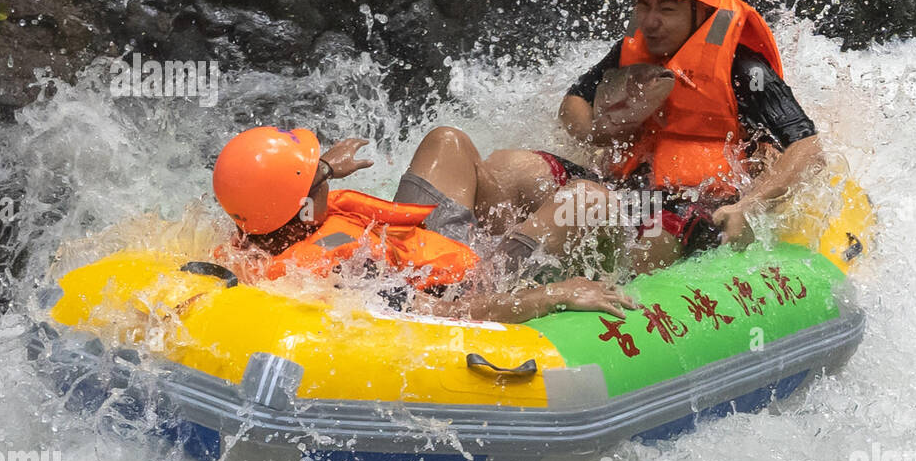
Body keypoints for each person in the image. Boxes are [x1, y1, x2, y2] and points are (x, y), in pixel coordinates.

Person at [495, 0, 831, 273]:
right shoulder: (633, 49)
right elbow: (574, 100)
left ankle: (530, 284)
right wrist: (595, 132)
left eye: (668, 9)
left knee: (647, 236)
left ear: (702, 13)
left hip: (698, 206)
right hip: (624, 190)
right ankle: (473, 268)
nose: (650, 22)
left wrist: (750, 205)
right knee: (511, 167)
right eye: (643, 5)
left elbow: (809, 146)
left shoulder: (744, 70)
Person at [210, 124, 636, 323]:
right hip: (474, 285)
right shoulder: (342, 272)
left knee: (445, 141)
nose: (328, 170)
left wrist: (323, 169)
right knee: (586, 201)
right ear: (302, 200)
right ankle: (622, 267)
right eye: (318, 173)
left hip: (422, 250)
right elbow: (452, 314)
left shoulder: (263, 224)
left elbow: (284, 191)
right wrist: (553, 294)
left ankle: (529, 228)